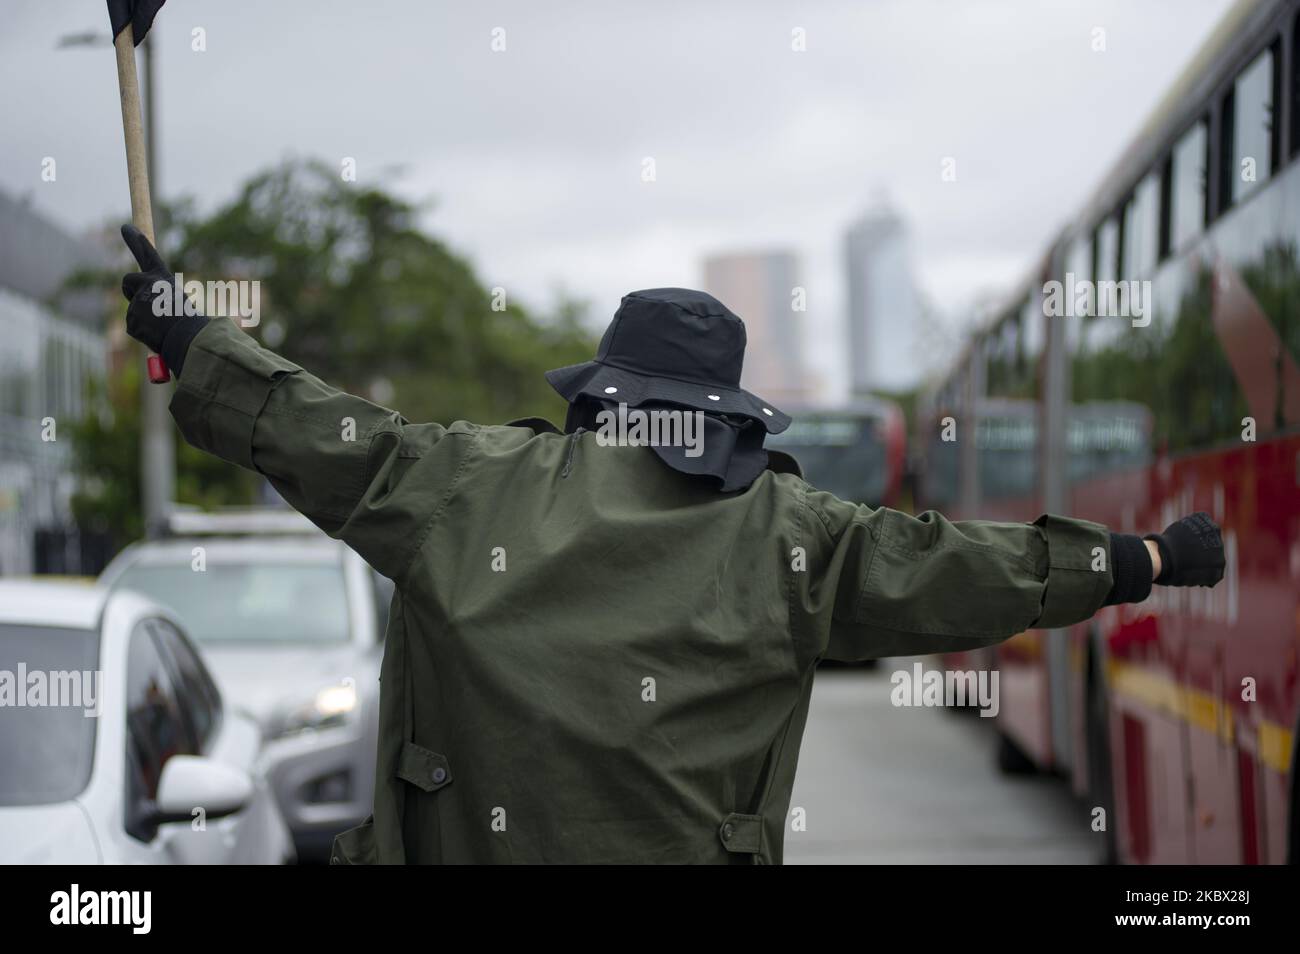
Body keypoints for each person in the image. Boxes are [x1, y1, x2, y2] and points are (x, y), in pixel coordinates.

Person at [118, 225, 1226, 864]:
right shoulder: (795, 537)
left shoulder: (465, 484)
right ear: (726, 412)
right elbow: (971, 573)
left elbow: (317, 429)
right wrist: (1145, 562)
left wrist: (185, 331)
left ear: (601, 394)